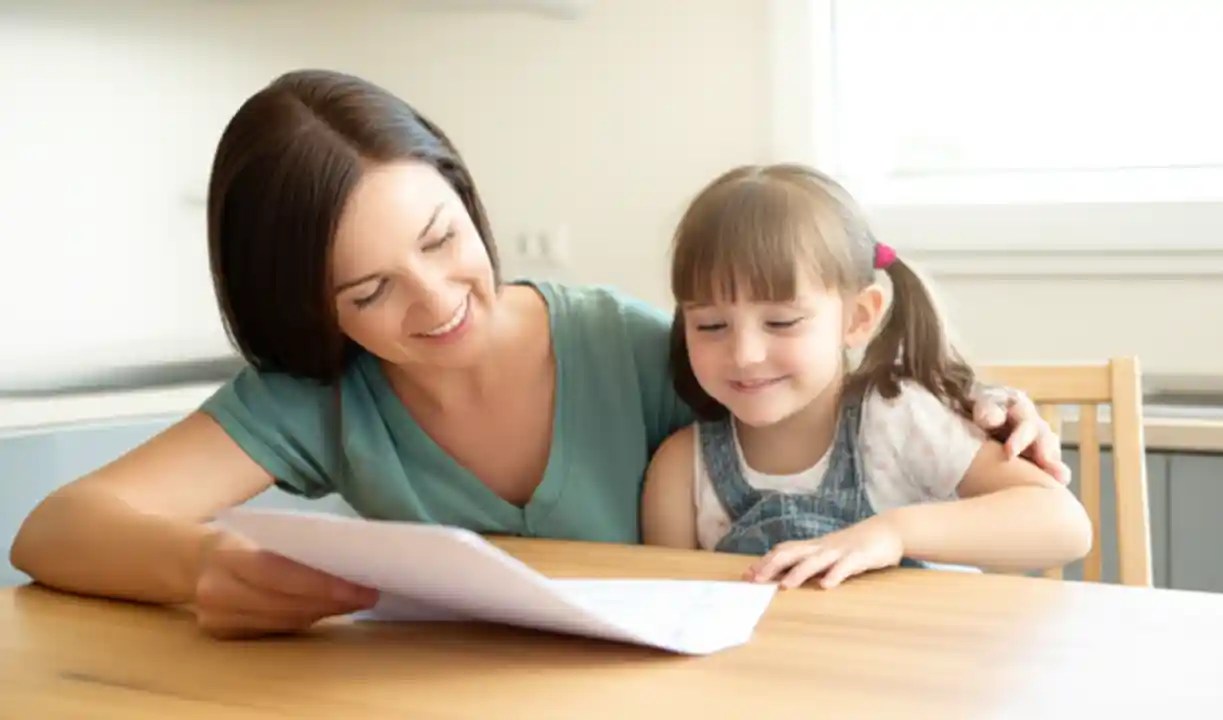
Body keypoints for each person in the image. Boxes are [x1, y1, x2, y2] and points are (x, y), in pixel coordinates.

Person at [10, 70, 1069, 639]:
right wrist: (204, 567)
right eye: (369, 291)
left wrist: (966, 402)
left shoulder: (632, 348)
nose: (435, 306)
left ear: (466, 198)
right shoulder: (311, 397)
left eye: (440, 241)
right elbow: (58, 529)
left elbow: (800, 391)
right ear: (308, 310)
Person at [641, 163, 1091, 589]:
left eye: (781, 322)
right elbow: (671, 615)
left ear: (857, 318)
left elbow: (1063, 525)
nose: (745, 354)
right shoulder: (681, 470)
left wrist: (893, 533)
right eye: (711, 326)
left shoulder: (898, 418)